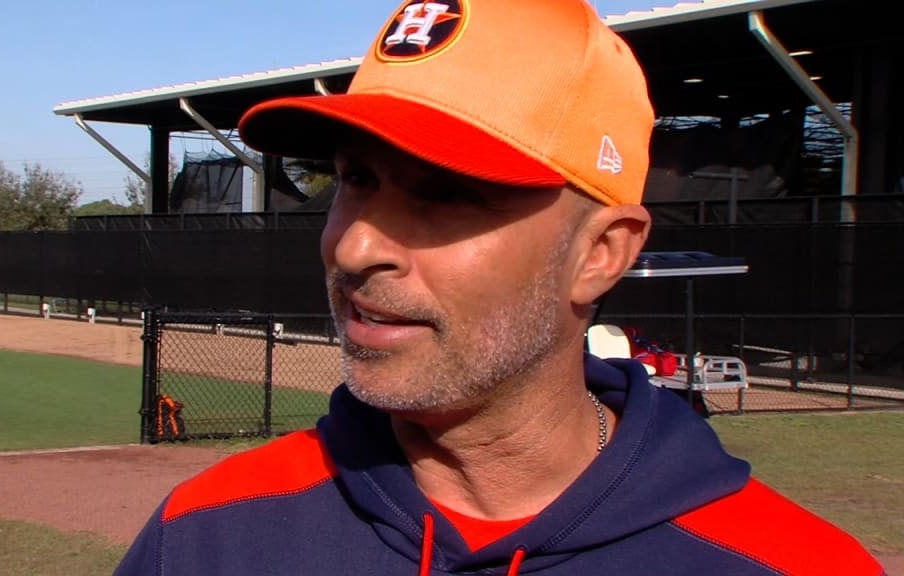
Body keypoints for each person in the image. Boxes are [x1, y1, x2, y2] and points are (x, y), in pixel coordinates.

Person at [115, 1, 885, 574]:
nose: (354, 246)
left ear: (600, 254)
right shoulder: (208, 537)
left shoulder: (793, 565)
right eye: (356, 179)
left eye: (447, 193)